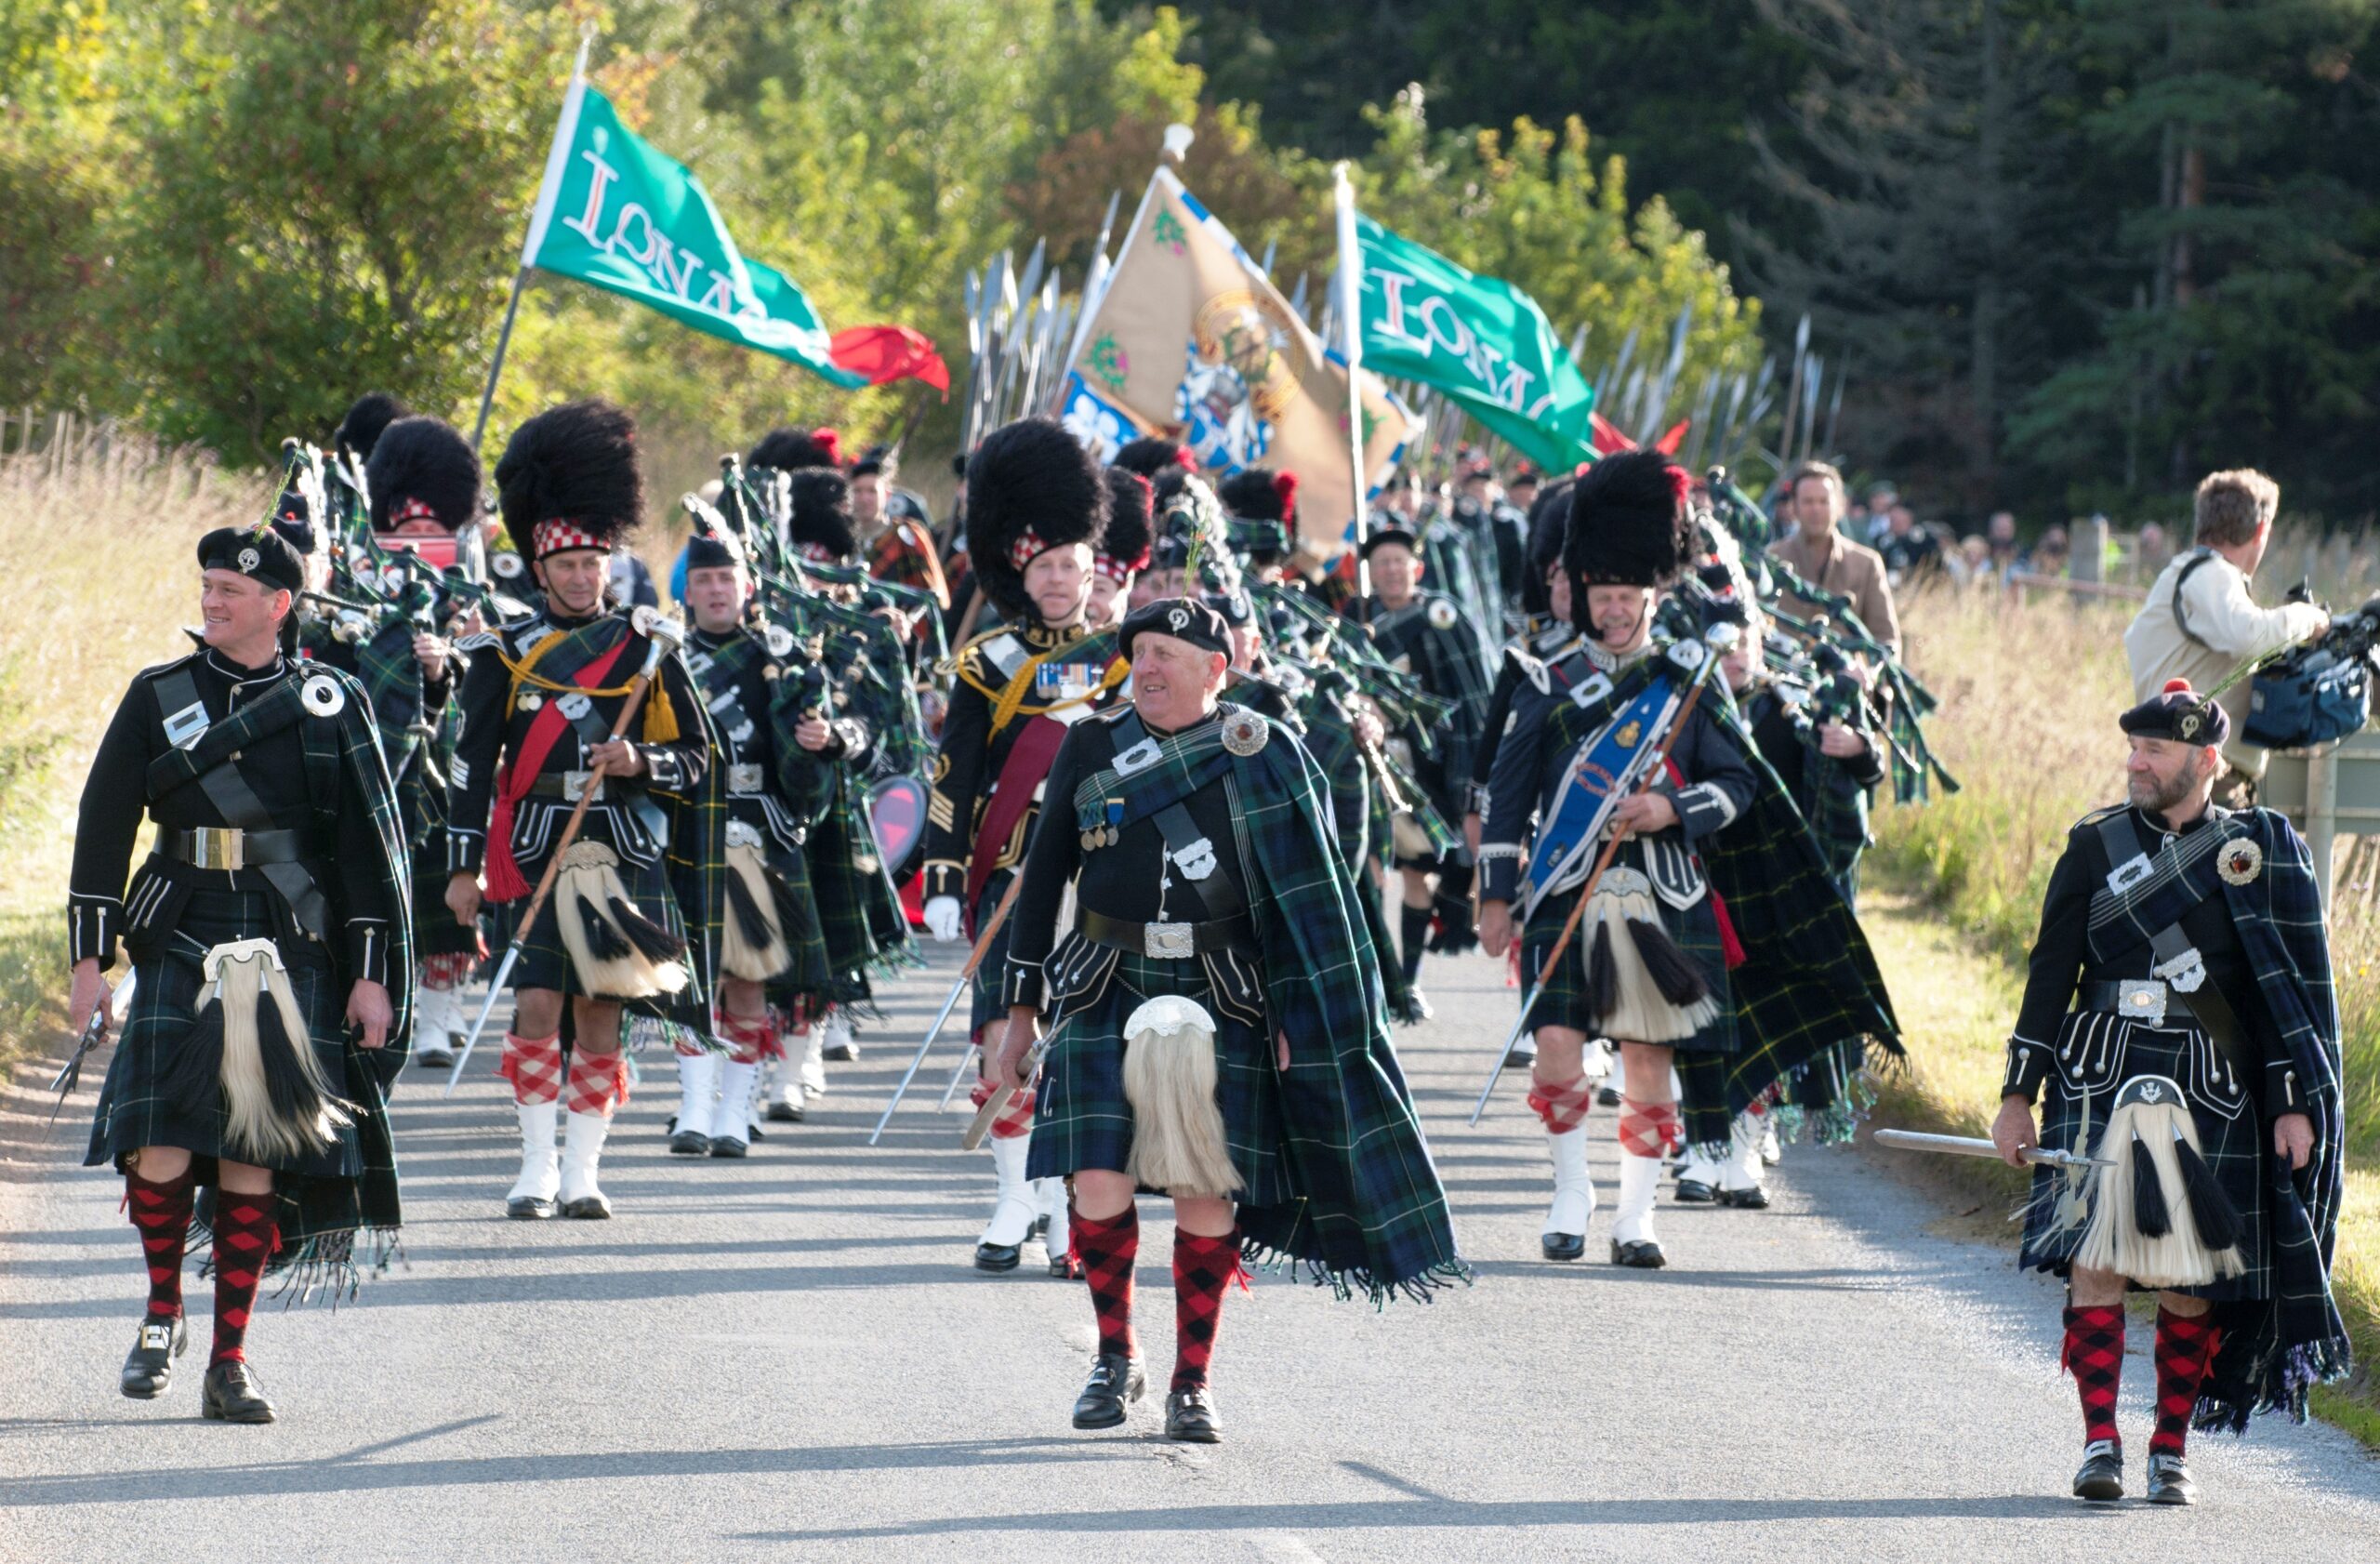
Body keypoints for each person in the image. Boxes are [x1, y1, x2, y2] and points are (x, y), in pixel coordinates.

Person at [989, 595, 1466, 1442]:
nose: (1148, 668)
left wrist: (1301, 1016)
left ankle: (1192, 1381)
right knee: (1096, 1180)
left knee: (1205, 1192)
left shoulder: (1264, 751)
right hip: (1104, 980)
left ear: (1219, 670)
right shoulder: (1092, 744)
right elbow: (1043, 882)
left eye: (1169, 653)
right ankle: (1114, 1356)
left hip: (1226, 988)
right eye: (1140, 650)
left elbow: (1310, 901)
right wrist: (1017, 1011)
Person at [1479, 450, 1897, 1268]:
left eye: (1627, 598)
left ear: (1652, 595)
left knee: (1646, 1055)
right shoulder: (1546, 680)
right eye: (1601, 598)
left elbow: (1740, 782)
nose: (1613, 612)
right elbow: (1507, 796)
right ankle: (1572, 1191)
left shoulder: (1686, 681)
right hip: (1569, 884)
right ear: (1583, 596)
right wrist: (1496, 898)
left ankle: (1636, 1218)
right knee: (1559, 1043)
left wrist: (1672, 807)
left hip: (1664, 890)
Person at [69, 521, 415, 1423]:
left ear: (279, 605)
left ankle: (230, 1358)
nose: (211, 602)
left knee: (253, 1150)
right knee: (157, 1138)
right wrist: (88, 958)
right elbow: (104, 824)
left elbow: (365, 854)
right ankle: (160, 1310)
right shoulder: (160, 694)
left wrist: (371, 972)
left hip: (285, 937)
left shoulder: (328, 700)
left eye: (229, 591)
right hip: (180, 924)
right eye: (207, 587)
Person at [1990, 680, 2347, 1504]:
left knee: (2192, 1279)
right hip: (2101, 1067)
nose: (2135, 763)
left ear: (2206, 760)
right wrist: (2017, 1093)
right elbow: (2050, 978)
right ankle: (2101, 1444)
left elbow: (2278, 995)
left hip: (2213, 1083)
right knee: (2097, 1262)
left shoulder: (2253, 853)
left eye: (2153, 750)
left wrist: (2292, 1101)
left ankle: (2171, 1449)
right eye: (2134, 748)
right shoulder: (2095, 846)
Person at [445, 400, 717, 1221]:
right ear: (540, 564)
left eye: (592, 562)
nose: (580, 576)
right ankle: (534, 1165)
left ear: (608, 563)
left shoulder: (648, 649)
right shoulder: (504, 652)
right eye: (565, 564)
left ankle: (584, 1172)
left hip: (619, 849)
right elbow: (470, 765)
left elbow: (701, 761)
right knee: (537, 1004)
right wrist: (463, 867)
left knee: (601, 1007)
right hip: (532, 847)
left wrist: (639, 760)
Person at [916, 418, 1124, 1275]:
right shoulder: (984, 664)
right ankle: (1012, 1196)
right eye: (1042, 567)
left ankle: (1068, 1205)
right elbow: (956, 778)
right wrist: (940, 874)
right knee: (1005, 1035)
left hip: (1104, 875)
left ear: (1090, 569)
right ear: (1018, 570)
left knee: (1080, 1043)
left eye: (1070, 565)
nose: (1057, 579)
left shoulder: (1128, 658)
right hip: (1011, 875)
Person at [670, 524, 844, 1157]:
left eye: (726, 579)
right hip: (687, 828)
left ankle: (734, 1112)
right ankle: (693, 1106)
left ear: (747, 588)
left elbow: (806, 784)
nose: (716, 591)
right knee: (688, 979)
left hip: (755, 831)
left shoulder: (782, 661)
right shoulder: (663, 657)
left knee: (746, 982)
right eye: (704, 581)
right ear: (687, 591)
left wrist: (815, 745)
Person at [2123, 469, 2331, 806]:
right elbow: (2251, 636)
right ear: (2262, 529)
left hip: (2178, 771)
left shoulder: (2186, 574)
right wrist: (2312, 618)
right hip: (2198, 779)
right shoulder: (2209, 574)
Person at [1351, 524, 1494, 1011]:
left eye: (1399, 562)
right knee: (1366, 873)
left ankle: (1407, 981)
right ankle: (1374, 982)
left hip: (1424, 769)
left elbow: (1471, 699)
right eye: (1381, 563)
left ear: (1417, 568)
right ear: (1369, 572)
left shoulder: (1441, 618)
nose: (1391, 571)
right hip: (1362, 761)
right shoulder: (1354, 619)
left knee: (1418, 876)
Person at [1772, 460, 1900, 656]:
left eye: (1824, 501)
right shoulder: (1773, 558)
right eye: (1808, 501)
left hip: (1846, 679)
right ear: (1794, 507)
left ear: (1840, 506)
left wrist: (1874, 677)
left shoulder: (1866, 564)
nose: (1816, 509)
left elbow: (1886, 637)